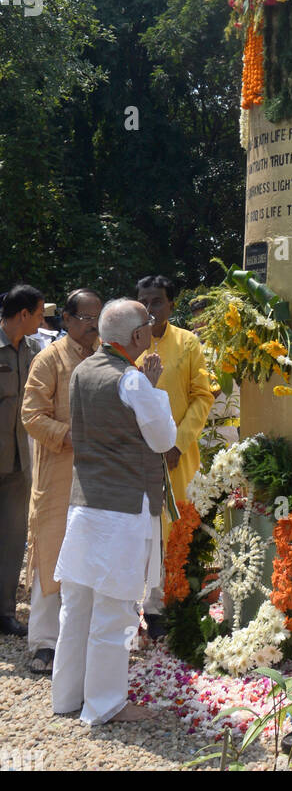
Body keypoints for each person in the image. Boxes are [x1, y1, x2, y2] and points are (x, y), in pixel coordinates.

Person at [51, 299, 174, 725]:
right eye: (149, 327)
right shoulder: (132, 382)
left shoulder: (83, 370)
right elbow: (162, 438)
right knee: (115, 611)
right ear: (137, 336)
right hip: (122, 510)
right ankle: (104, 706)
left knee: (77, 605)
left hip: (84, 507)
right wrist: (153, 387)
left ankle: (66, 698)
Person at [21, 289, 103, 674]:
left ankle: (85, 640)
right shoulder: (48, 359)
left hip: (100, 476)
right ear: (67, 320)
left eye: (98, 317)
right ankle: (44, 642)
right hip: (58, 474)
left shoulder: (107, 357)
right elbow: (32, 416)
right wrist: (71, 436)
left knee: (92, 555)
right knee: (52, 551)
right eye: (86, 318)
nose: (93, 325)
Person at [135, 274, 214, 639]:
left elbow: (203, 395)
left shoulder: (187, 342)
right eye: (144, 301)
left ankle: (175, 599)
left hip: (177, 456)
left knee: (177, 526)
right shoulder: (125, 342)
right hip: (135, 454)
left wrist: (178, 443)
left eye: (157, 302)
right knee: (142, 530)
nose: (150, 309)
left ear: (171, 305)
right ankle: (149, 605)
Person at [0, 284, 45, 636]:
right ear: (23, 314)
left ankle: (4, 612)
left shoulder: (34, 349)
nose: (43, 319)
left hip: (20, 461)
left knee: (14, 537)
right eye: (40, 313)